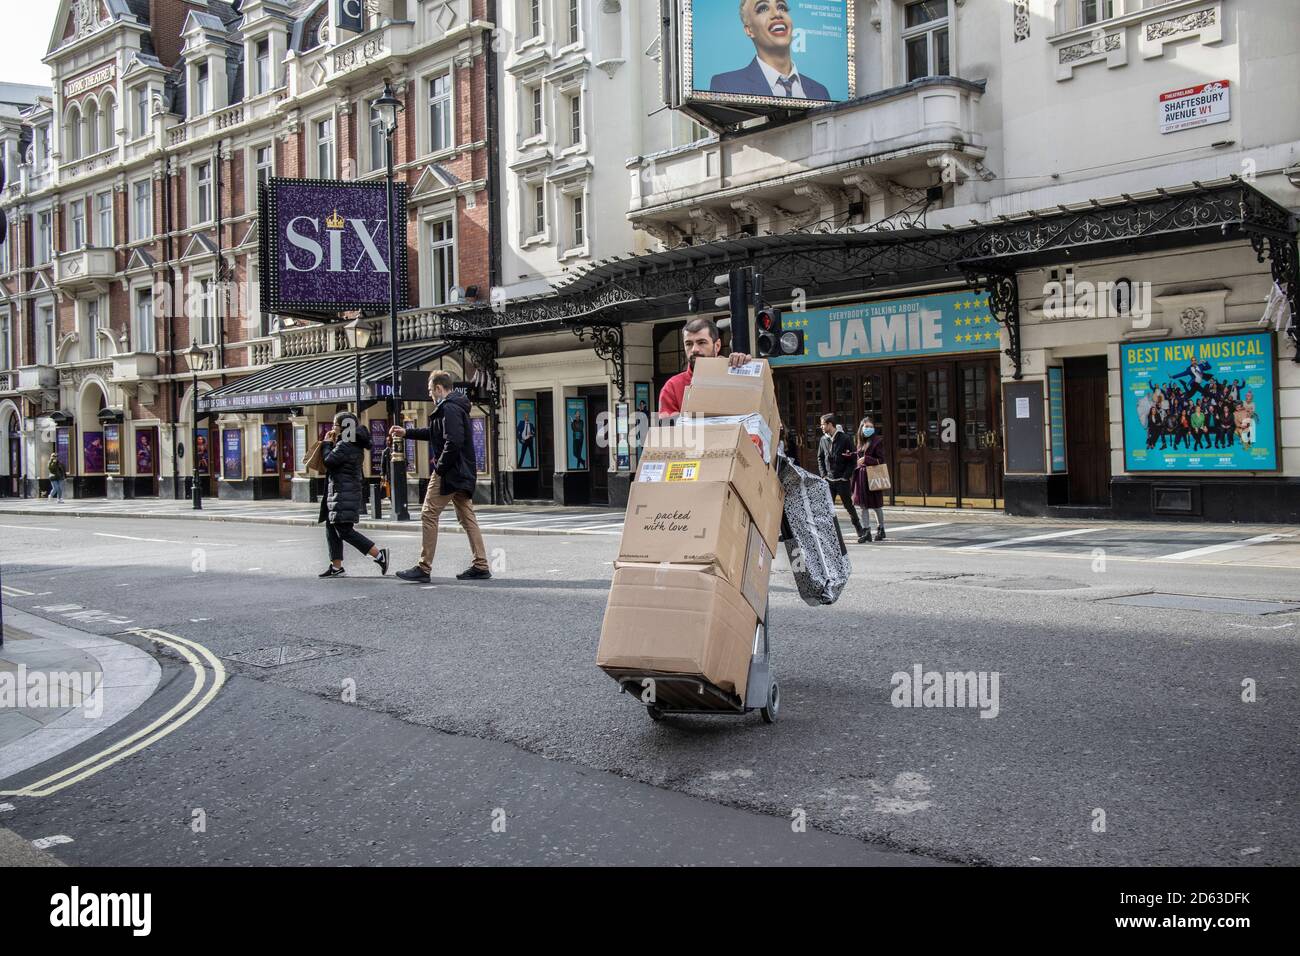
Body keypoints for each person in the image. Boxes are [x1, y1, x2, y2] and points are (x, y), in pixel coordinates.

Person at [392, 370, 491, 582]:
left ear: (439, 388)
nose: (430, 394)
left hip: (450, 472)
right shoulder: (454, 407)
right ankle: (481, 565)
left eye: (430, 390)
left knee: (428, 513)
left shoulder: (449, 408)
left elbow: (453, 441)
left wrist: (440, 468)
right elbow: (435, 433)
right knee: (467, 518)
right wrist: (407, 432)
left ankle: (424, 567)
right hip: (462, 471)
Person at [709, 0, 832, 101]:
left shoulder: (820, 92)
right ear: (749, 30)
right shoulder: (727, 85)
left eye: (782, 7)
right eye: (763, 8)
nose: (777, 13)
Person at [317, 411, 389, 579]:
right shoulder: (349, 441)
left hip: (344, 491)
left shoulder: (346, 444)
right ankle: (336, 567)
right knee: (331, 527)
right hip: (341, 490)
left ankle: (379, 555)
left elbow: (329, 461)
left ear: (344, 427)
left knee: (344, 530)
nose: (332, 428)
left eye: (335, 424)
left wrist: (327, 444)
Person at [657, 317, 753, 418]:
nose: (694, 349)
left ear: (717, 346)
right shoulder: (672, 387)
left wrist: (745, 369)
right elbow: (667, 429)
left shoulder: (734, 376)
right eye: (689, 344)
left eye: (701, 342)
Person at [817, 413, 867, 543]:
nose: (821, 427)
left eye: (823, 424)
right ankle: (829, 534)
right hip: (828, 480)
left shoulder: (845, 438)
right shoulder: (823, 440)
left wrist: (846, 476)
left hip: (842, 481)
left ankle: (860, 530)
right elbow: (820, 458)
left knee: (849, 506)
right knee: (827, 508)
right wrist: (823, 474)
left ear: (830, 424)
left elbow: (852, 459)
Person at [851, 417, 887, 542]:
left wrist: (867, 460)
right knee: (863, 506)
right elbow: (858, 456)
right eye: (866, 427)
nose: (868, 429)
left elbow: (880, 460)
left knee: (877, 505)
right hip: (860, 477)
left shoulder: (877, 441)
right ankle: (866, 531)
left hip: (872, 476)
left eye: (871, 427)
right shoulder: (860, 441)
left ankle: (881, 529)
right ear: (861, 428)